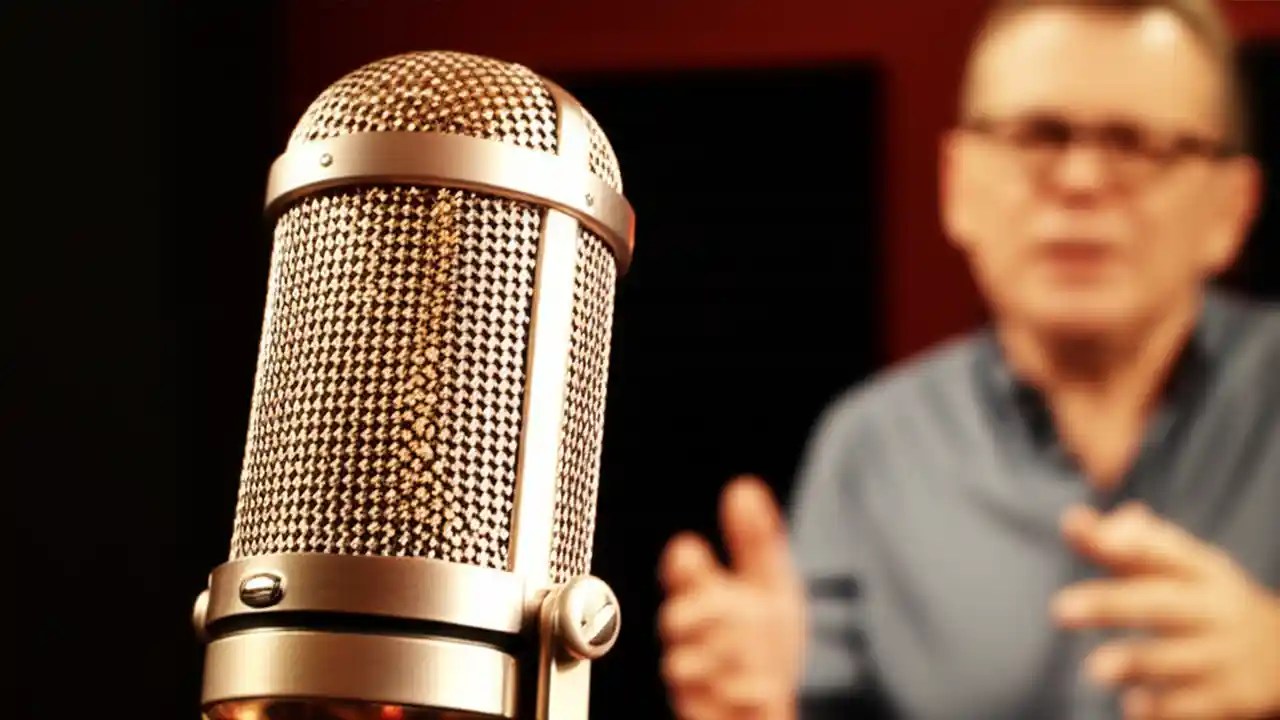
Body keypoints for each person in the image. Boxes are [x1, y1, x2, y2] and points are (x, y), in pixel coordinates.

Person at [656, 0, 1280, 718]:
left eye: (1136, 143)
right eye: (1036, 136)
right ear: (956, 185)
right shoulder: (874, 447)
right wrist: (762, 706)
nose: (1079, 182)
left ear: (1232, 207)